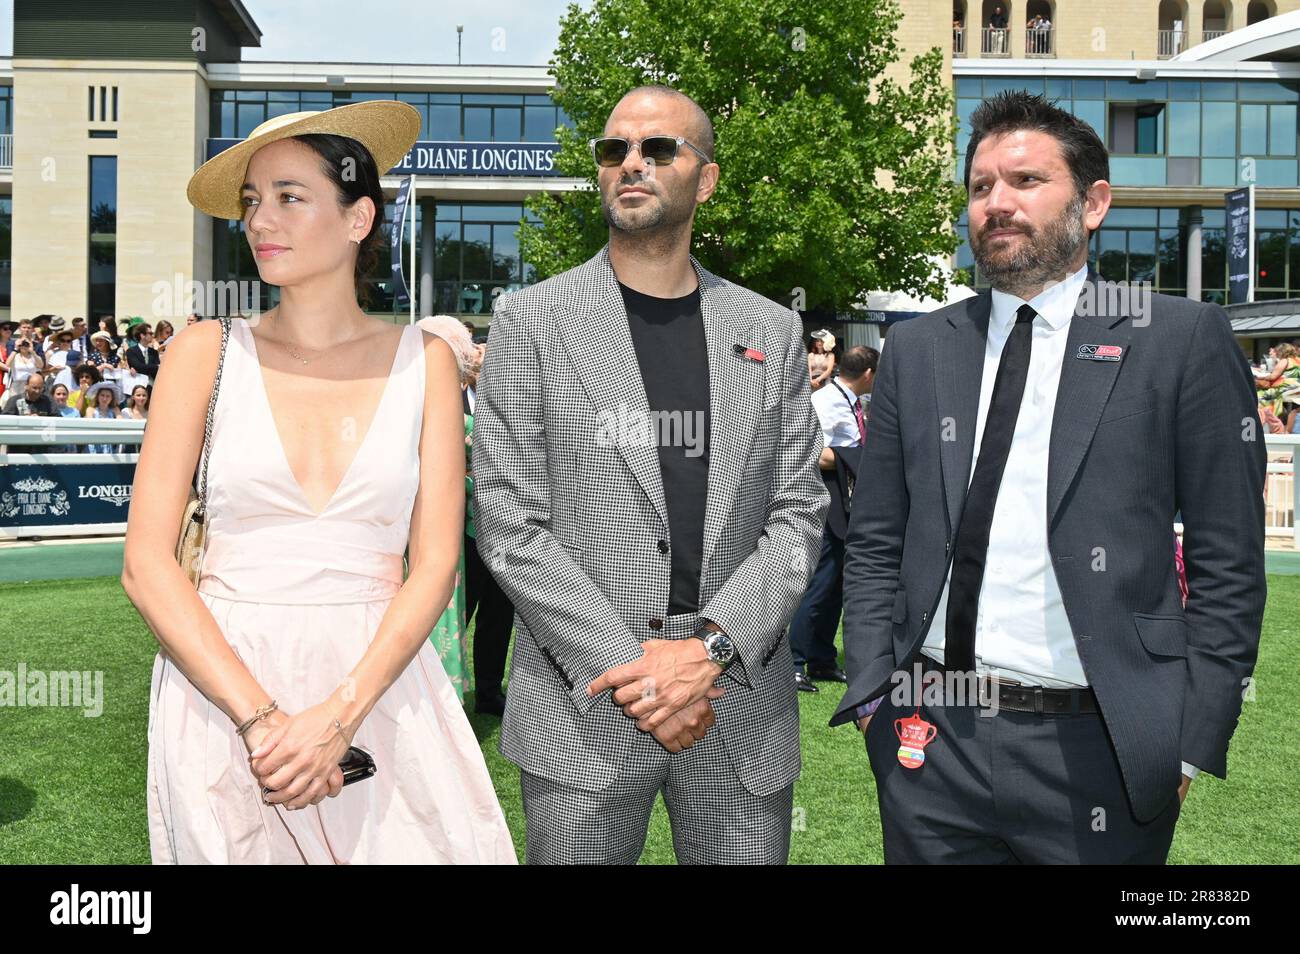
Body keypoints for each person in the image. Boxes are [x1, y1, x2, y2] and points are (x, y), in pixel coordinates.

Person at [833, 91, 1266, 864]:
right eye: (979, 187)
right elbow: (876, 539)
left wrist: (1192, 741)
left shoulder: (1177, 339)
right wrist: (873, 687)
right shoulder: (922, 348)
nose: (996, 203)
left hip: (1101, 747)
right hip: (929, 741)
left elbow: (1228, 560)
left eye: (1026, 181)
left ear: (1093, 202)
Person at [121, 100, 515, 864]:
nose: (260, 219)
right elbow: (146, 564)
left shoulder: (425, 361)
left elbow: (434, 565)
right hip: (220, 692)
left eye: (289, 196)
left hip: (380, 688)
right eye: (251, 201)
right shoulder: (203, 352)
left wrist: (339, 717)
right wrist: (262, 722)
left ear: (359, 217)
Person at [473, 84, 828, 864]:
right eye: (614, 151)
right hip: (587, 705)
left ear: (705, 179)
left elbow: (799, 510)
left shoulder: (770, 328)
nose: (631, 163)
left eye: (657, 148)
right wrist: (632, 671)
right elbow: (508, 520)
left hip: (734, 700)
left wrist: (705, 653)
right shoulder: (531, 321)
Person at [790, 345, 877, 693]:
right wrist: (854, 458)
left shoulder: (845, 401)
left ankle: (822, 659)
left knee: (837, 583)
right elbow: (810, 451)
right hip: (825, 496)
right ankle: (795, 663)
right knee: (820, 581)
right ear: (869, 374)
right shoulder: (826, 402)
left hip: (845, 498)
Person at [1, 371, 56, 454]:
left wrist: (41, 421)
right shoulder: (14, 401)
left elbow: (57, 420)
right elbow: (4, 424)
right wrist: (23, 421)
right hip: (18, 451)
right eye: (34, 388)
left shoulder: (48, 401)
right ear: (26, 386)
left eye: (40, 388)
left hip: (41, 451)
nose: (37, 391)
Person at [83, 381, 124, 454]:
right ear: (98, 396)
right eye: (102, 395)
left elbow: (121, 426)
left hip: (109, 444)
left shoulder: (115, 410)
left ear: (112, 398)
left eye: (108, 396)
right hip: (93, 444)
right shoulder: (91, 410)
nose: (104, 399)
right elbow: (90, 426)